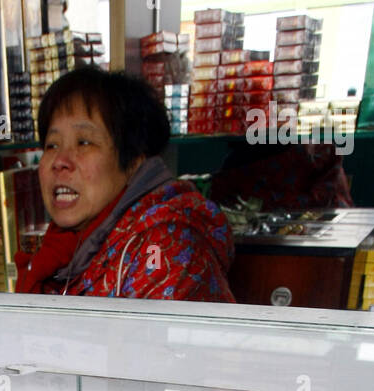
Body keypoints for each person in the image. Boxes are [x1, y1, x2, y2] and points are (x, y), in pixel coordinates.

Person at [15, 67, 235, 301]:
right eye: (52, 145)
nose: (60, 161)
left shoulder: (166, 245)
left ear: (134, 161)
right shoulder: (63, 247)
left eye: (84, 142)